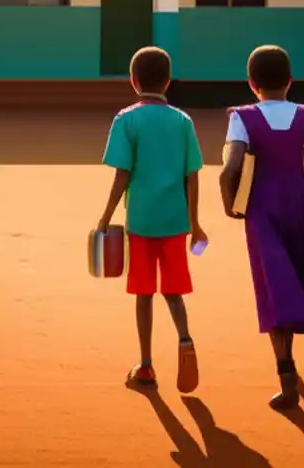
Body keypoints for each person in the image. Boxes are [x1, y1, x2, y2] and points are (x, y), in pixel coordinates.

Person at [220, 45, 304, 410]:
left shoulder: (243, 118)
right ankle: (290, 369)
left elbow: (228, 171)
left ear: (252, 84)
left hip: (262, 211)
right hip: (300, 207)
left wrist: (231, 207)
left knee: (273, 289)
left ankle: (285, 375)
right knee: (296, 282)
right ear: (290, 80)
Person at [98, 46, 206, 393]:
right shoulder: (182, 121)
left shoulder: (126, 120)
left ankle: (145, 365)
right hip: (175, 222)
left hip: (141, 222)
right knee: (173, 292)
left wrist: (105, 217)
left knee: (143, 294)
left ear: (133, 81)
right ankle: (186, 340)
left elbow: (122, 174)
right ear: (168, 81)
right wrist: (196, 222)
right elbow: (193, 175)